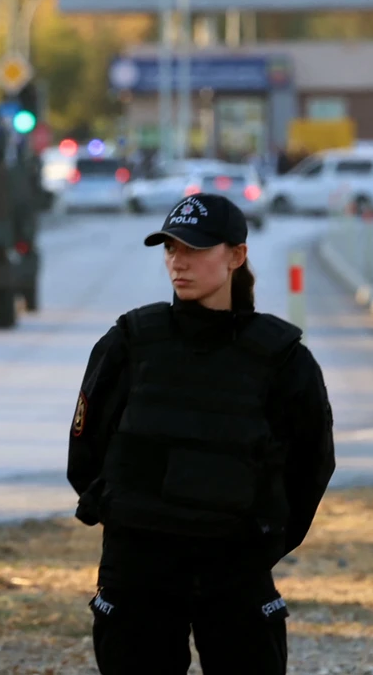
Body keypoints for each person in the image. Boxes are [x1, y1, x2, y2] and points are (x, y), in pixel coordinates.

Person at [67, 193, 336, 675]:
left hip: (234, 566)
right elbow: (86, 449)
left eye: (194, 249)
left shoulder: (282, 359)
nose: (178, 262)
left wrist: (262, 542)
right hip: (139, 565)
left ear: (236, 256)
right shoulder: (130, 342)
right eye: (171, 249)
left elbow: (311, 466)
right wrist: (124, 513)